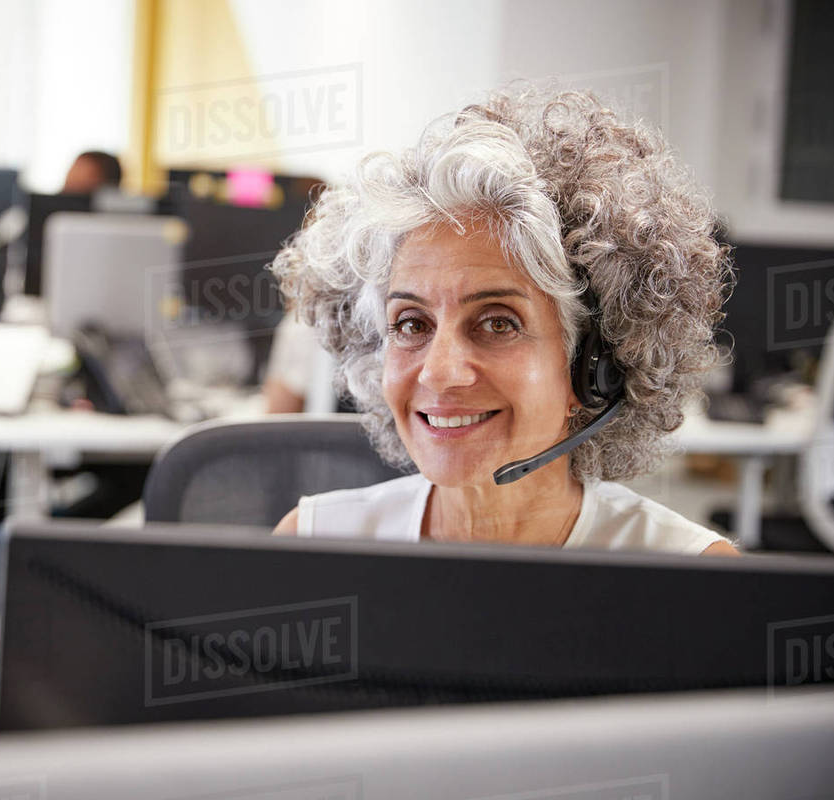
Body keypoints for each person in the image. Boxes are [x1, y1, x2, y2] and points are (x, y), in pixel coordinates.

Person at [271, 86, 738, 555]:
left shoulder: (692, 577)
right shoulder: (312, 546)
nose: (438, 371)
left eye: (497, 324)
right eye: (412, 324)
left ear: (598, 367)